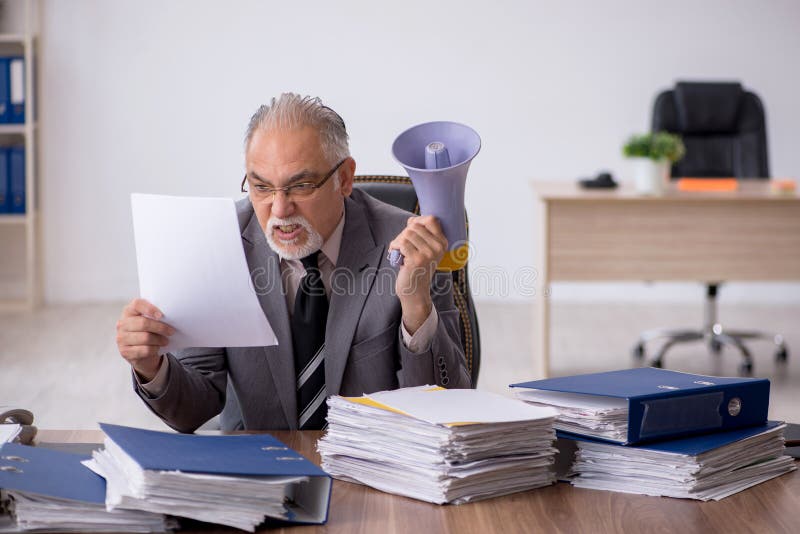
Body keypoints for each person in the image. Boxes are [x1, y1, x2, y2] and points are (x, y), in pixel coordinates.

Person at [116, 93, 470, 432]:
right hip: (259, 460)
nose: (280, 210)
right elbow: (194, 409)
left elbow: (447, 407)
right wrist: (152, 367)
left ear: (344, 178)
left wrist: (415, 304)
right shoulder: (218, 242)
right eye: (262, 187)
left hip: (374, 463)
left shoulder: (409, 246)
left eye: (301, 186)